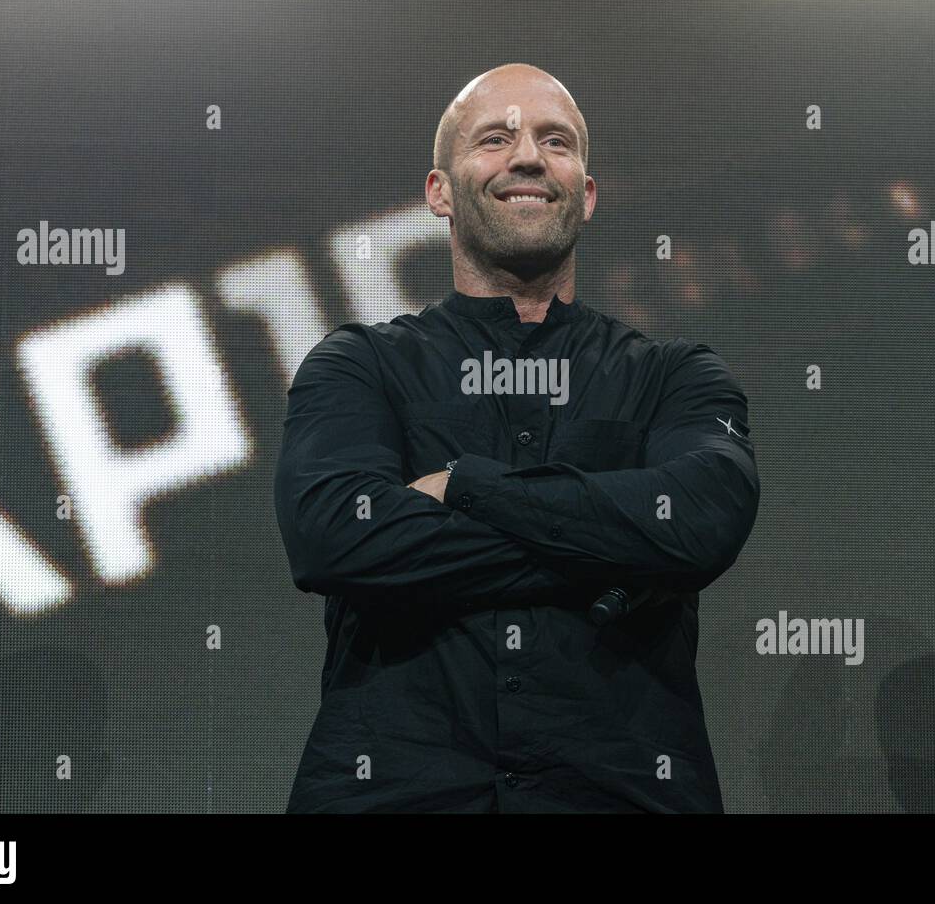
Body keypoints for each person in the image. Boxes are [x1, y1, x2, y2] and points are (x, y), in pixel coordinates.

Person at [275, 63, 760, 812]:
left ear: (587, 194)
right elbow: (333, 534)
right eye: (495, 138)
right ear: (438, 190)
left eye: (555, 141)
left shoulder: (676, 375)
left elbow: (704, 517)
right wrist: (609, 543)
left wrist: (466, 487)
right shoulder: (358, 364)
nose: (527, 156)